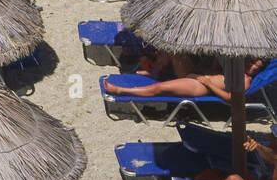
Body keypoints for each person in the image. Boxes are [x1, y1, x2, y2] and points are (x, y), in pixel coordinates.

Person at [101, 56, 267, 103]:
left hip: (199, 87)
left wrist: (207, 82)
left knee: (159, 89)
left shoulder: (246, 81)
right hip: (198, 76)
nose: (253, 67)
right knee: (175, 52)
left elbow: (231, 99)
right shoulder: (236, 65)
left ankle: (120, 90)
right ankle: (154, 72)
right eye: (253, 63)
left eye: (257, 67)